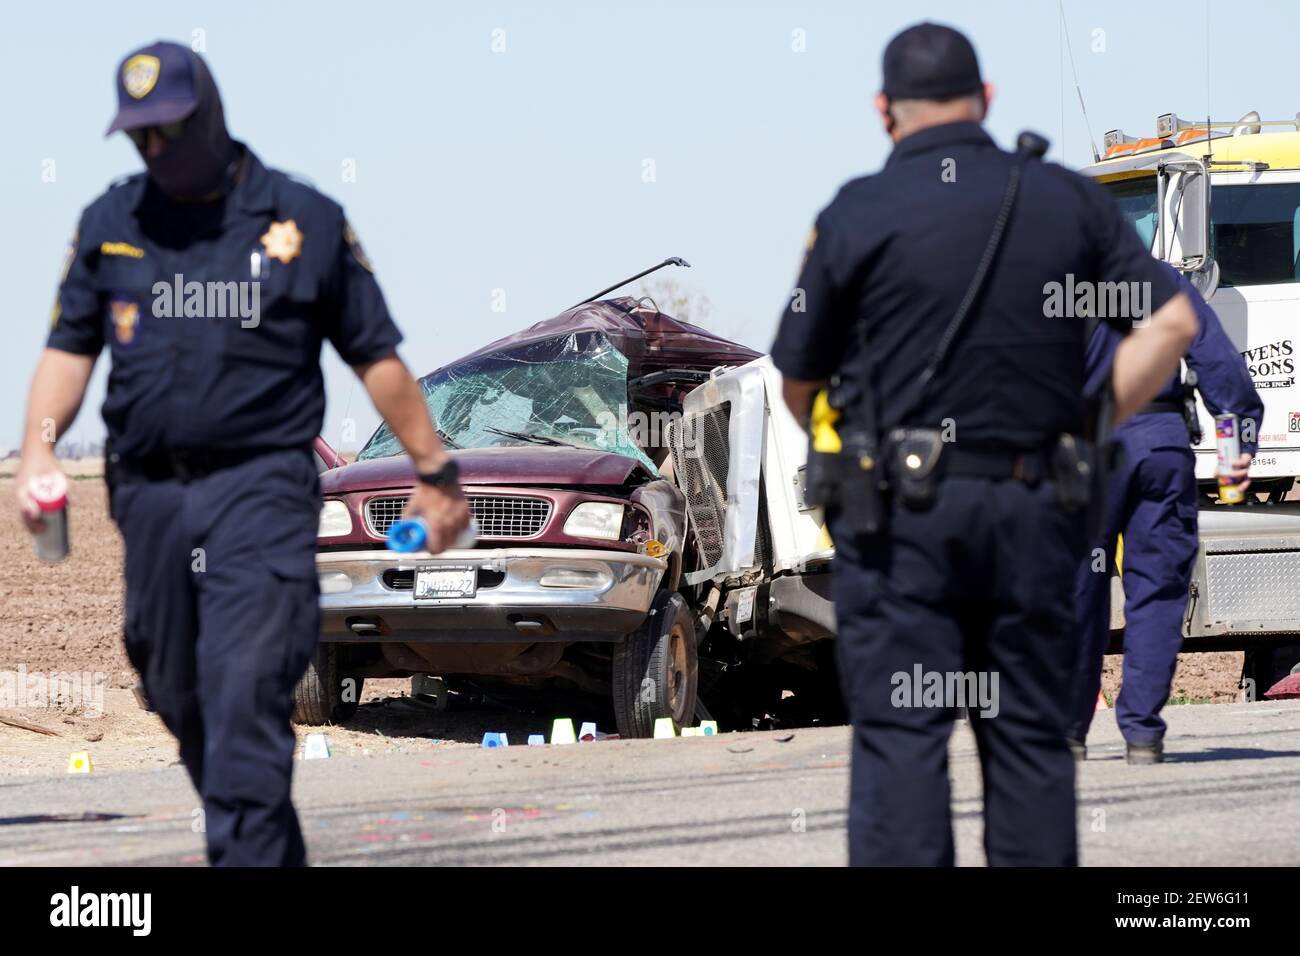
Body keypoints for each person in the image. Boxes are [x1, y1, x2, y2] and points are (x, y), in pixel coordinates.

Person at [14, 41, 469, 866]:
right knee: (171, 679)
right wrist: (37, 452)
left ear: (211, 116)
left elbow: (377, 358)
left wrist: (433, 469)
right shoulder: (110, 224)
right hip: (149, 496)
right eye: (139, 137)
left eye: (169, 132)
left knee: (243, 691)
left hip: (260, 491)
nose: (154, 151)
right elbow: (67, 352)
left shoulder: (304, 220)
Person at [771, 21, 1198, 866]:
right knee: (1031, 748)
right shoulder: (1062, 199)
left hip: (900, 524)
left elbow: (796, 377)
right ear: (988, 99)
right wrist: (1083, 421)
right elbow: (1174, 320)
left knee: (900, 749)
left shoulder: (855, 213)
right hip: (1035, 509)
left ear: (884, 109)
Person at [1073, 262, 1260, 763]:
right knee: (1157, 587)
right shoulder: (1158, 279)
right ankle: (1141, 733)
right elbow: (1218, 361)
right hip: (1159, 444)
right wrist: (1239, 433)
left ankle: (1067, 732)